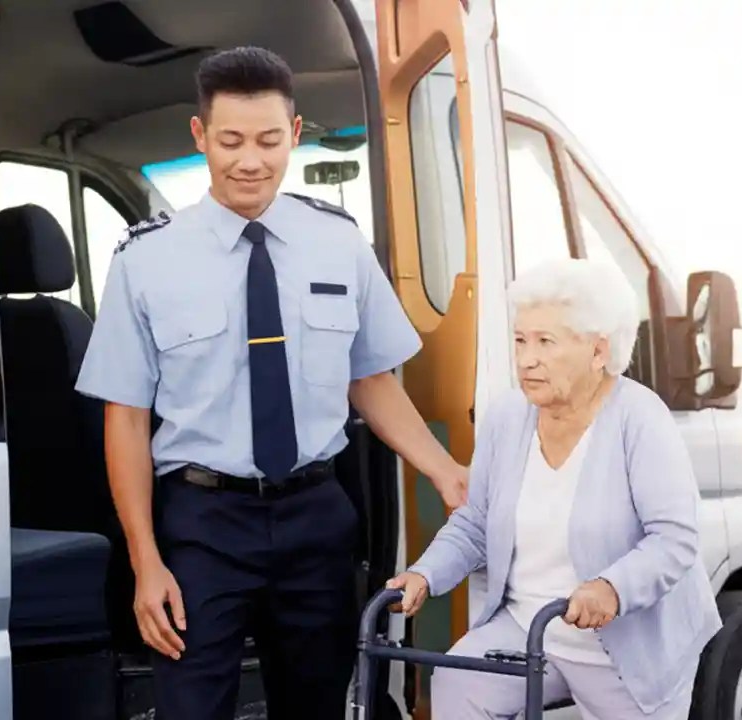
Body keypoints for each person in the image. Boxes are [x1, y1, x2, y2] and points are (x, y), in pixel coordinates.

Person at [75, 46, 469, 720]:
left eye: (267, 140)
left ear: (294, 133)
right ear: (200, 136)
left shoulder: (339, 243)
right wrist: (145, 562)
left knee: (316, 705)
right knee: (190, 708)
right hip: (202, 522)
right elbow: (127, 419)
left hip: (316, 516)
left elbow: (371, 379)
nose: (250, 161)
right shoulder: (146, 259)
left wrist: (443, 470)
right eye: (230, 141)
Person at [386, 258, 723, 719]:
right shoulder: (507, 418)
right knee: (459, 682)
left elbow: (675, 538)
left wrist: (611, 587)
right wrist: (425, 574)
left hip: (626, 649)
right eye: (520, 340)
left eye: (546, 342)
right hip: (529, 630)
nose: (527, 359)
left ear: (598, 351)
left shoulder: (641, 419)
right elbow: (475, 522)